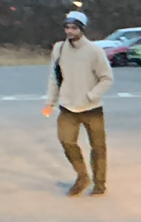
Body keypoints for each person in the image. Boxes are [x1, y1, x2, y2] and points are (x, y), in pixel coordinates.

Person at [42, 11, 114, 196]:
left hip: (92, 108)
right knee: (66, 141)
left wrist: (91, 96)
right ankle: (82, 176)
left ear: (81, 29)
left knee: (98, 147)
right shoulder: (59, 49)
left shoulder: (94, 51)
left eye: (74, 28)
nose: (70, 31)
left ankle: (100, 183)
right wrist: (50, 102)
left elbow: (107, 78)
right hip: (67, 107)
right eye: (67, 27)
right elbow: (54, 77)